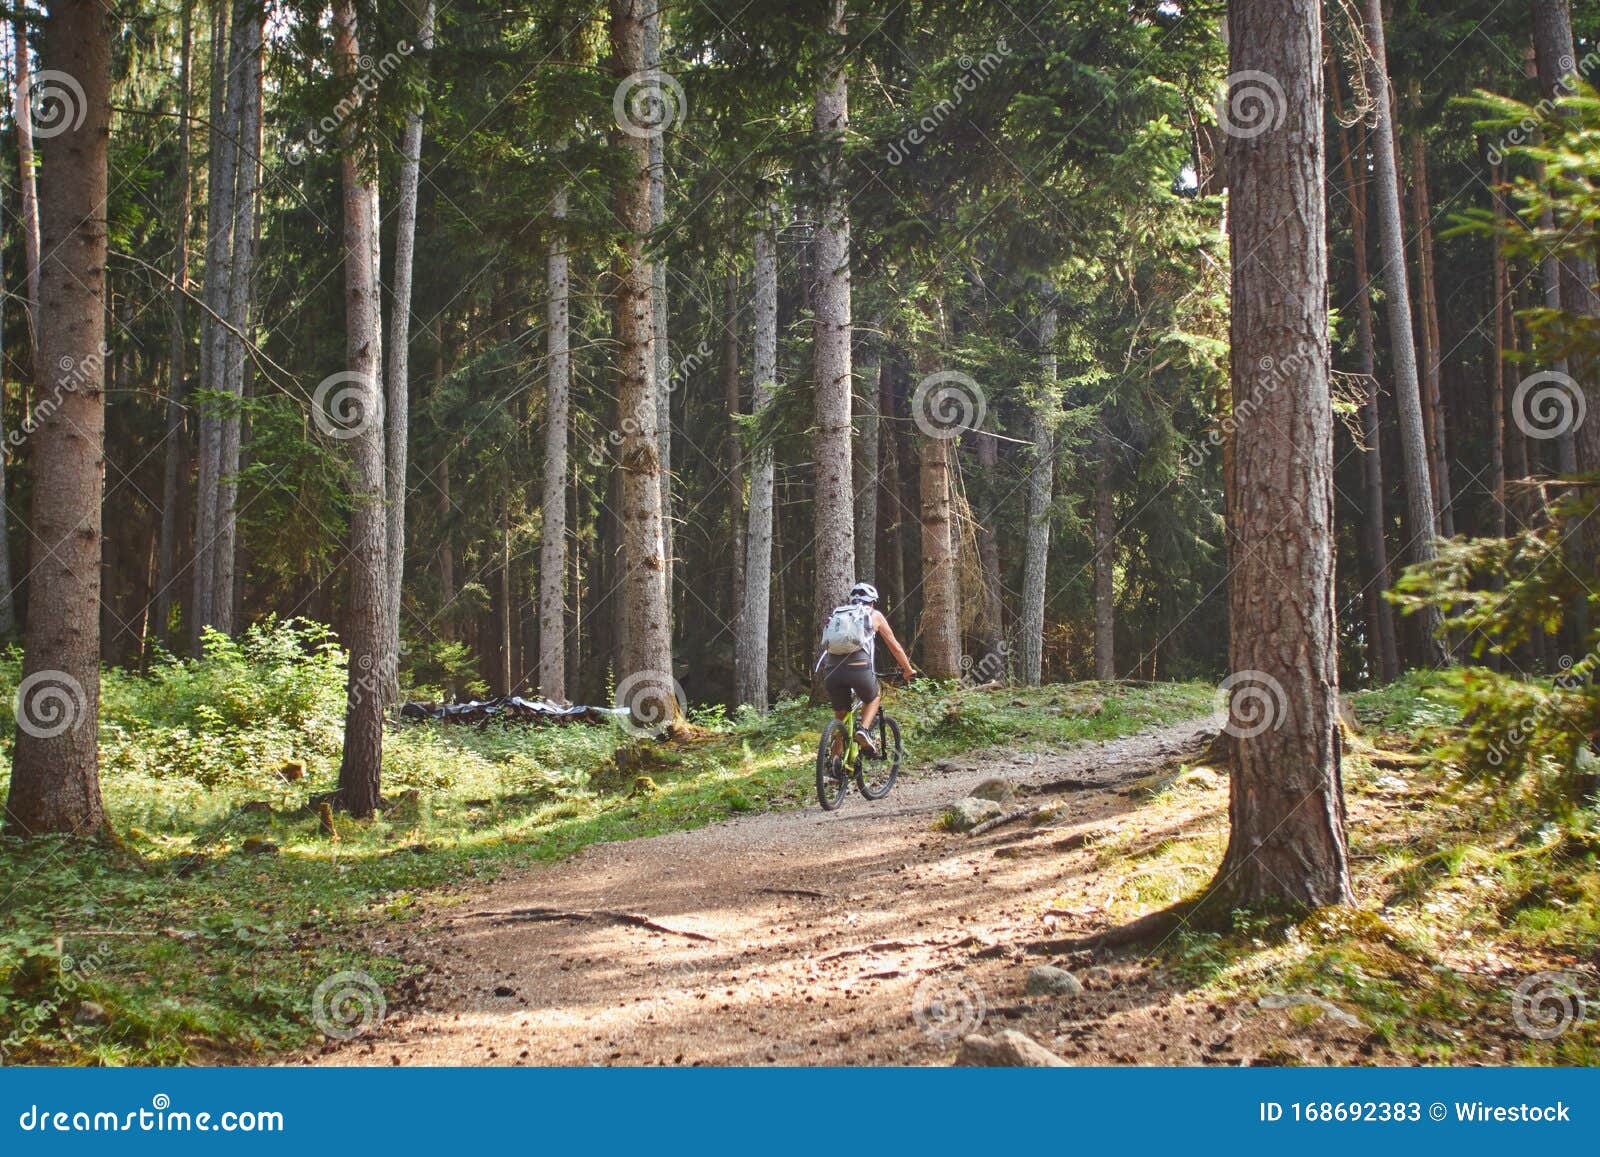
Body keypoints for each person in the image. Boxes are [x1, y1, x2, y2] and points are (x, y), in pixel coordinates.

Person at [814, 582, 915, 757]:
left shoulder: (838, 614)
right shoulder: (874, 615)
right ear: (872, 602)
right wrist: (908, 669)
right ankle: (864, 731)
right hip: (858, 668)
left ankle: (835, 766)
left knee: (841, 717)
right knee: (874, 696)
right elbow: (895, 646)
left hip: (831, 669)